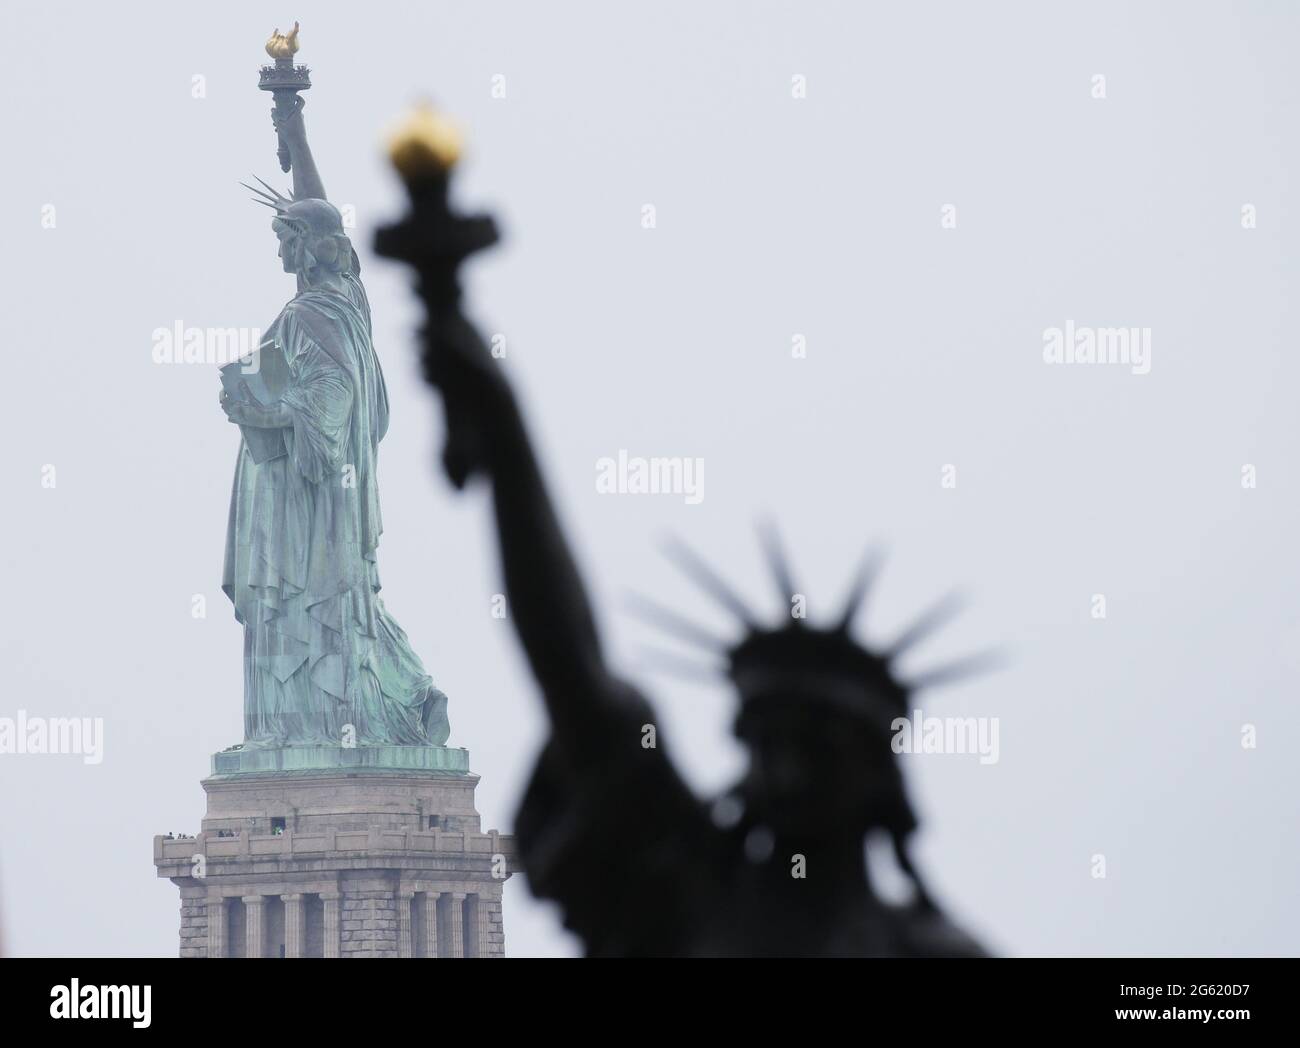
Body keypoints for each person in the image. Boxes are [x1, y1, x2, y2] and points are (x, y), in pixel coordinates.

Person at [219, 97, 448, 750]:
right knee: (297, 604)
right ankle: (290, 730)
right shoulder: (340, 299)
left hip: (307, 497)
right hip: (292, 487)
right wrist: (292, 126)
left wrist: (258, 407)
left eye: (289, 241)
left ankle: (305, 730)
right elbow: (323, 216)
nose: (282, 252)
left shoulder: (320, 313)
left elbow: (331, 406)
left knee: (297, 602)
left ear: (315, 249)